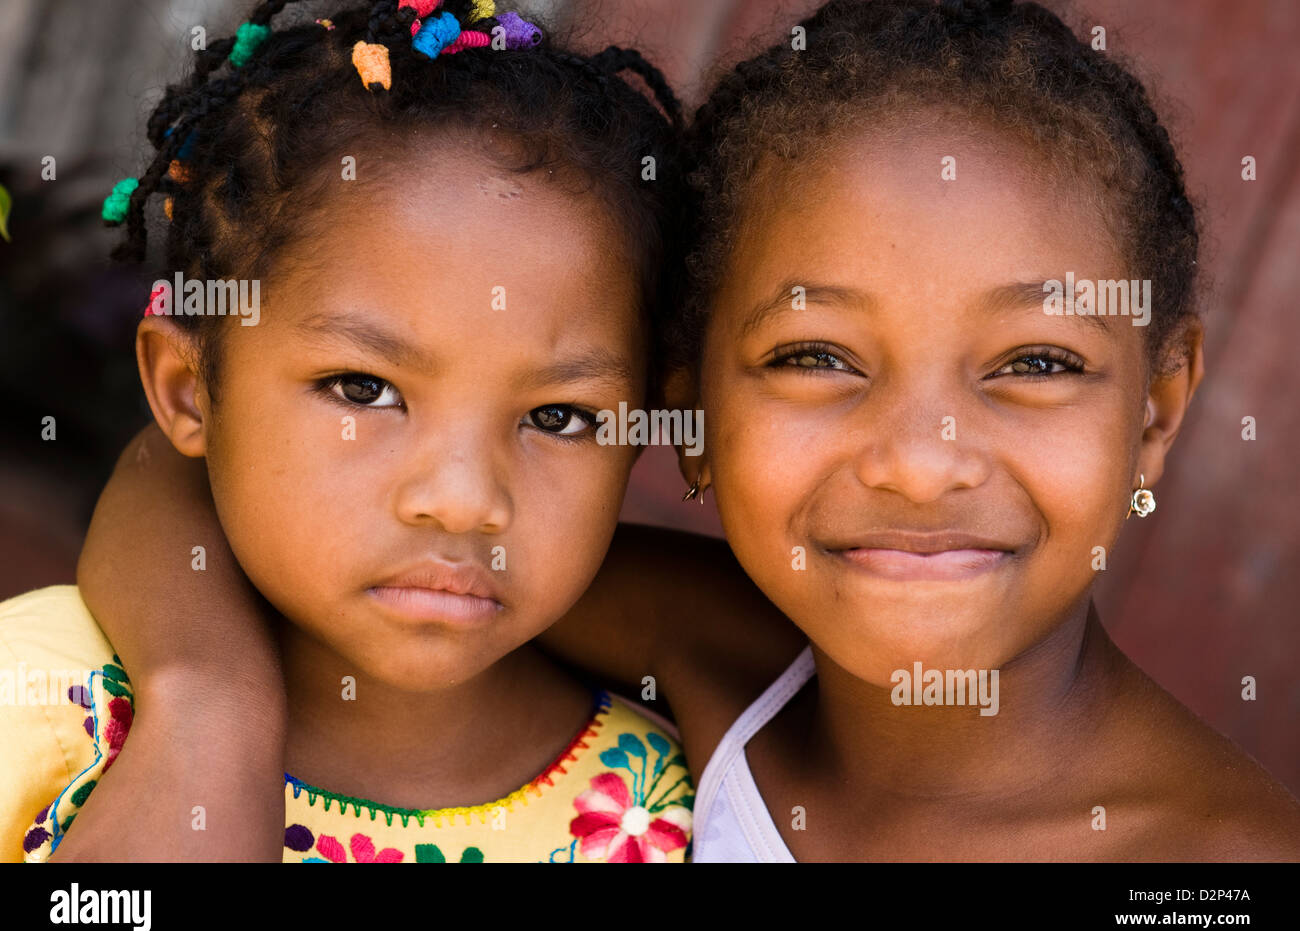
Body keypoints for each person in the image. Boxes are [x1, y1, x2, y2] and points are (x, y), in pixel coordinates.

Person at [35, 0, 1300, 862]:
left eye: (1035, 362)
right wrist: (209, 728)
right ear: (686, 413)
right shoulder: (727, 664)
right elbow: (208, 476)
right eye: (814, 356)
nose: (920, 461)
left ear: (1157, 407)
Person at [0, 0, 696, 863]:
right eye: (363, 389)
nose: (461, 500)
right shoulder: (36, 706)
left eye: (558, 417)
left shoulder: (663, 806)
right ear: (187, 392)